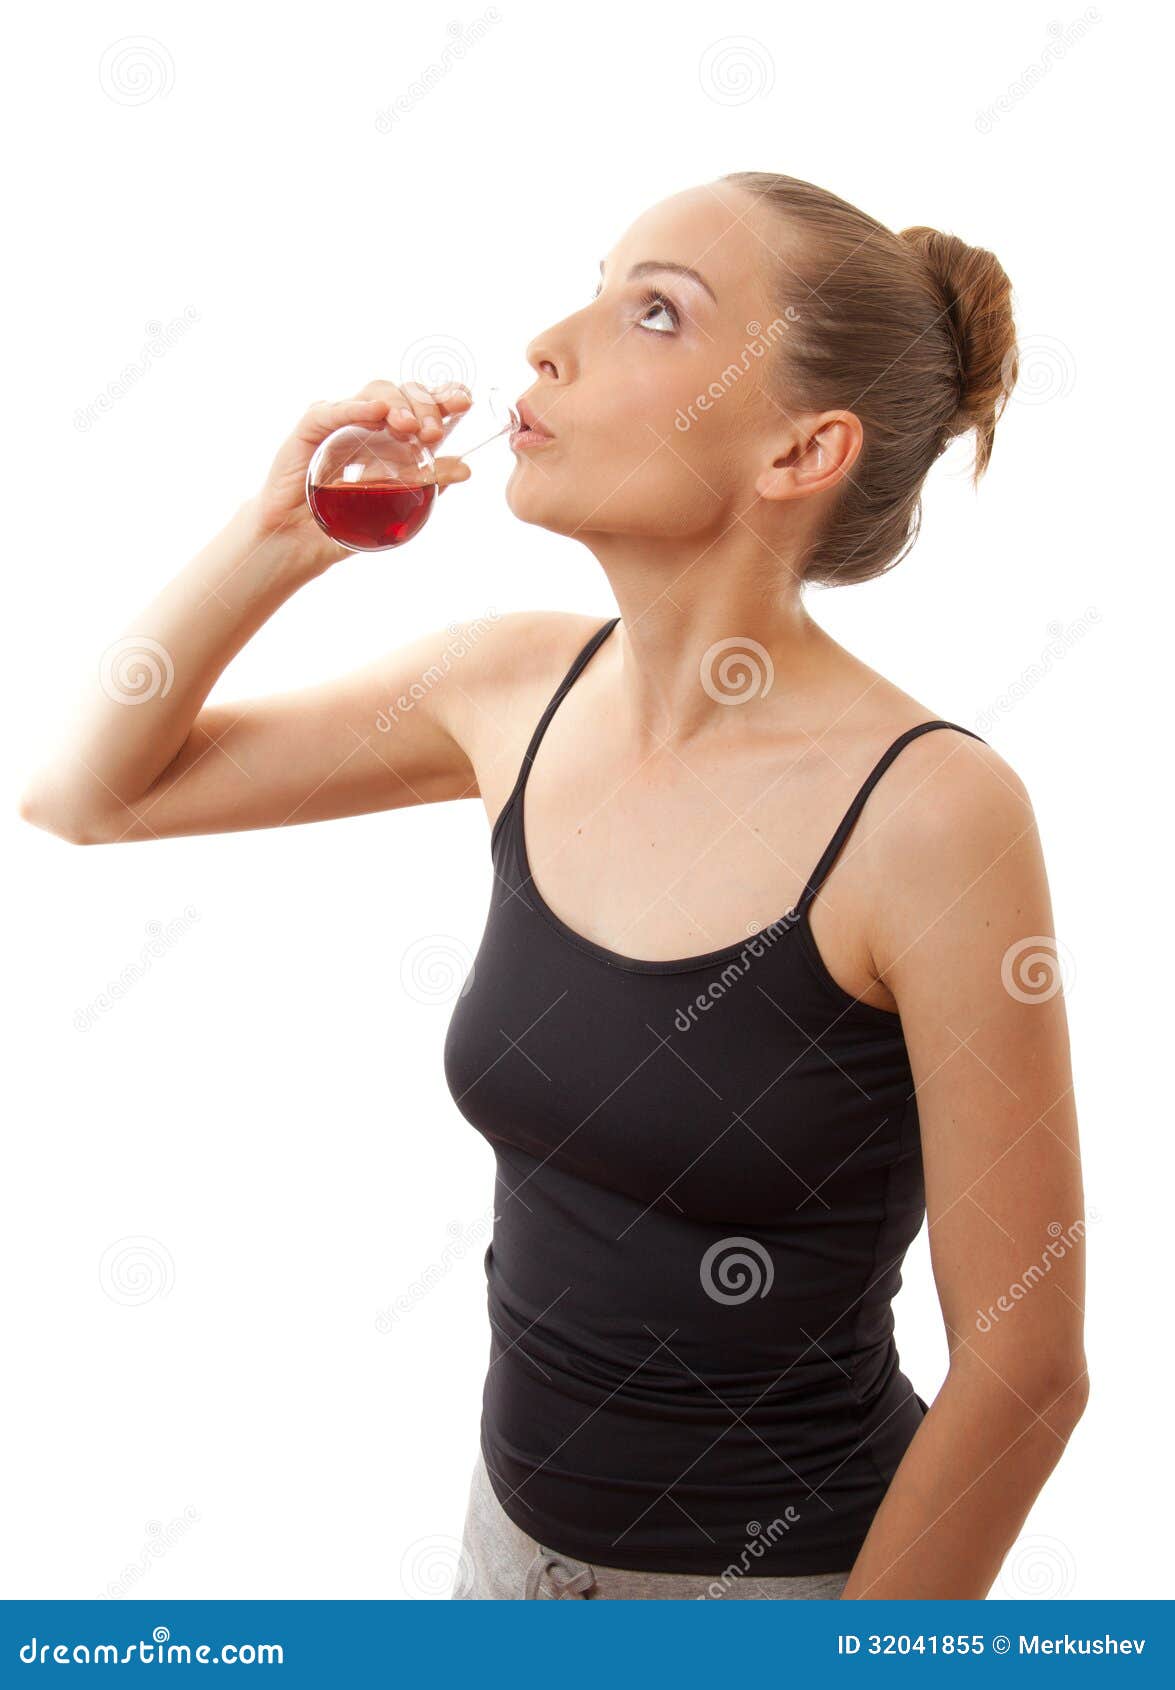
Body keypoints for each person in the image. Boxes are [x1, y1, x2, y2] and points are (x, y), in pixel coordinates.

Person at [20, 172, 1088, 1600]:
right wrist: (275, 544)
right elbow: (87, 794)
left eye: (654, 312)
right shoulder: (511, 687)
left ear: (799, 450)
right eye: (598, 283)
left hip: (787, 1593)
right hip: (503, 1555)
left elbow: (1027, 1365)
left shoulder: (934, 814)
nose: (548, 341)